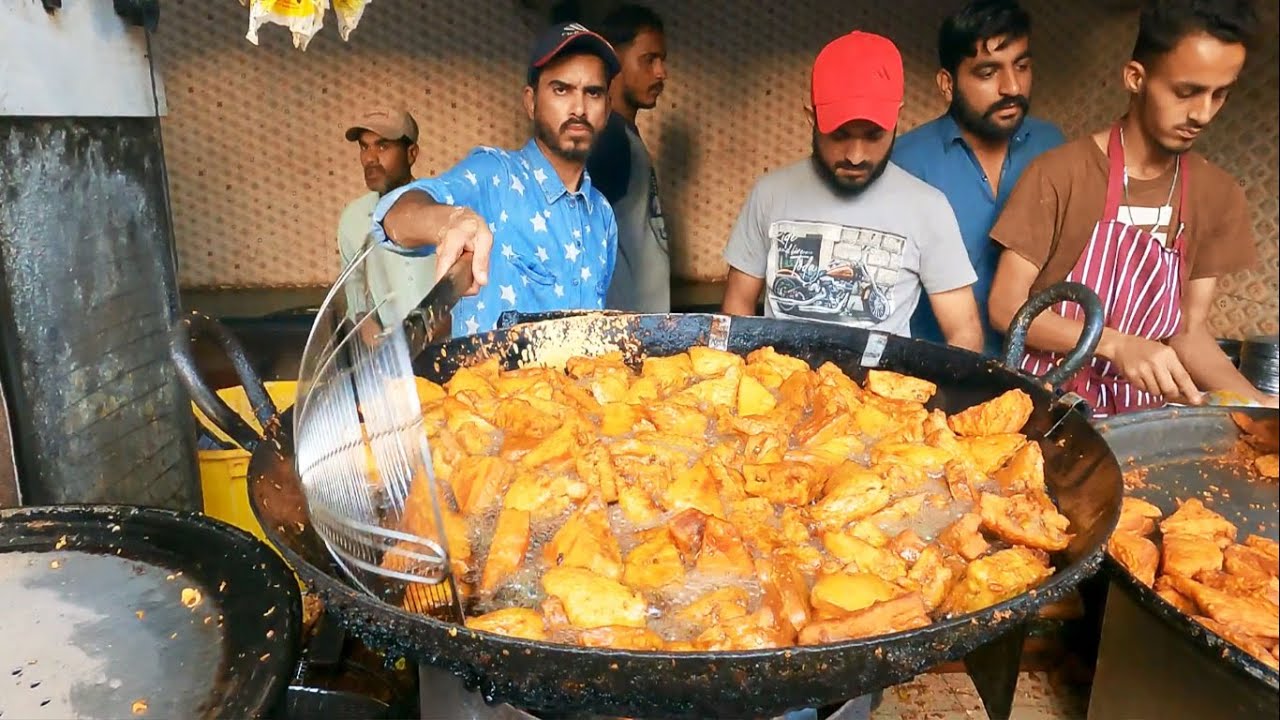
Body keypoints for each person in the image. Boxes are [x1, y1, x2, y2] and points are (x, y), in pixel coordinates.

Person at [987, 0, 1276, 414]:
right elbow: (1005, 307)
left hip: (1143, 416)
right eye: (1186, 92)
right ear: (1136, 77)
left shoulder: (1219, 195)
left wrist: (1260, 407)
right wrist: (1114, 344)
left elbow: (1188, 332)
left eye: (1220, 94)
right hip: (1051, 404)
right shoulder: (1060, 174)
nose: (1202, 113)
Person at [721, 30, 984, 353]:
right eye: (840, 135)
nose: (856, 155)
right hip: (780, 396)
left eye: (874, 135)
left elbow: (964, 333)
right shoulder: (769, 195)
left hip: (879, 400)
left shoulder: (928, 208)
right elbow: (736, 309)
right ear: (811, 118)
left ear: (896, 119)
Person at [370, 23, 621, 335]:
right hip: (490, 383)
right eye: (561, 89)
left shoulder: (603, 215)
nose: (580, 108)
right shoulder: (492, 175)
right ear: (530, 102)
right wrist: (449, 221)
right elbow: (394, 218)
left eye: (593, 93)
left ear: (607, 109)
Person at [893, 0, 1065, 356]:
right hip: (938, 374)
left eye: (1022, 66)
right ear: (947, 83)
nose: (1012, 87)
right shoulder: (904, 163)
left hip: (1042, 372)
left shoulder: (1055, 149)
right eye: (988, 73)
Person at [586, 4, 673, 313]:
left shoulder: (625, 137)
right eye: (649, 60)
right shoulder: (609, 141)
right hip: (625, 326)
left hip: (643, 324)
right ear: (614, 59)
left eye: (662, 61)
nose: (661, 72)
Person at [337, 107, 437, 322]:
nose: (370, 158)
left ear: (411, 154)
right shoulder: (353, 218)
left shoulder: (439, 208)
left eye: (383, 146)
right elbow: (354, 282)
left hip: (451, 345)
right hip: (395, 349)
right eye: (364, 147)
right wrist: (364, 322)